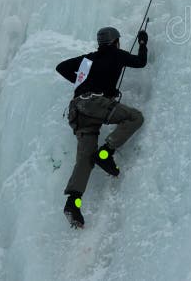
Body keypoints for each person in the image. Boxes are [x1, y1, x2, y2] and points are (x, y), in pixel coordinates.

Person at [55, 26, 148, 228]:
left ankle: (73, 202)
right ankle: (106, 152)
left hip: (77, 111)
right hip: (94, 104)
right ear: (115, 42)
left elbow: (61, 67)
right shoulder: (115, 54)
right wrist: (142, 42)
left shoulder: (88, 59)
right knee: (135, 118)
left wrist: (83, 81)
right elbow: (141, 62)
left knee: (85, 158)